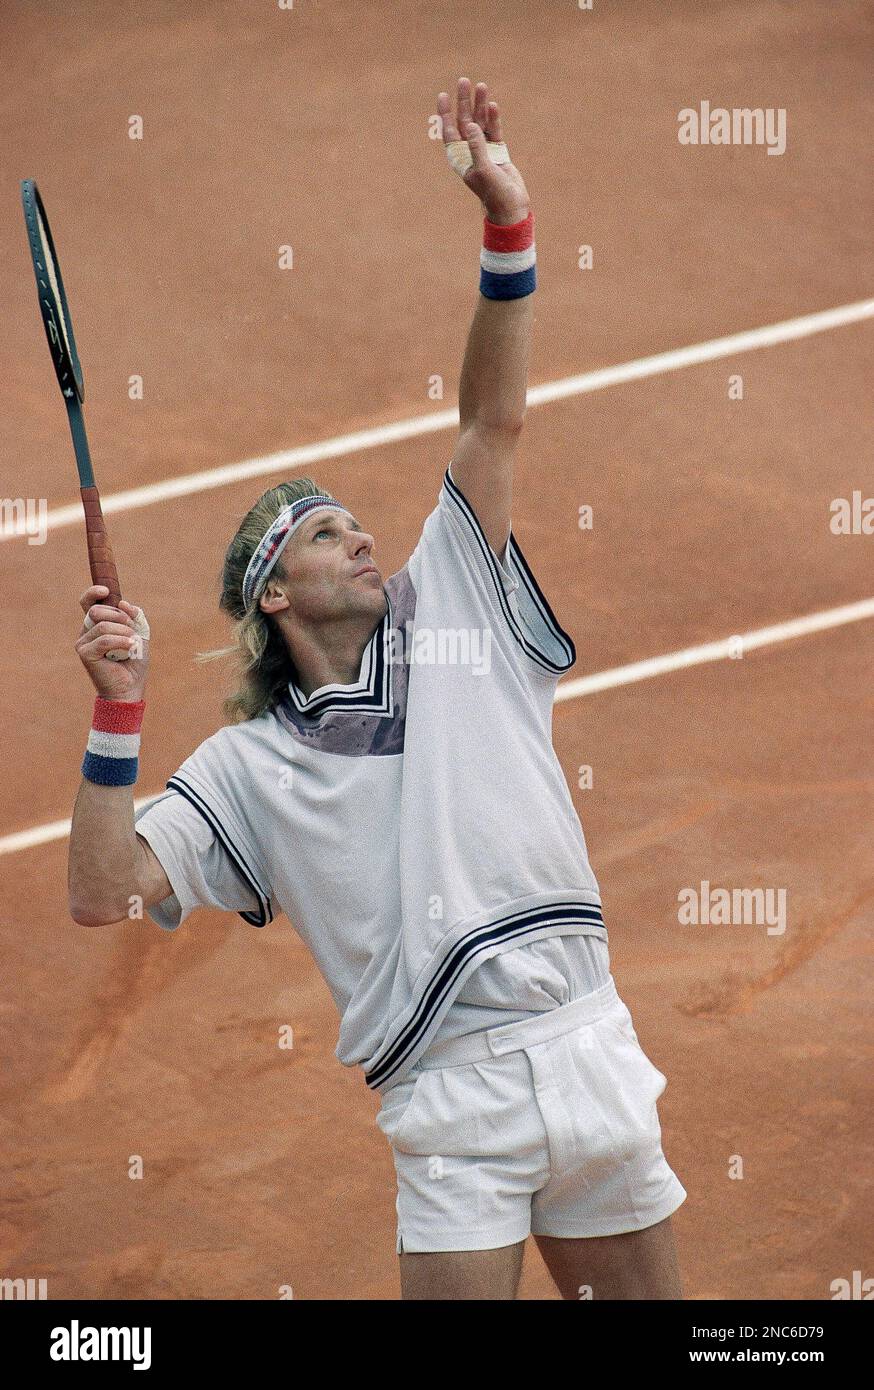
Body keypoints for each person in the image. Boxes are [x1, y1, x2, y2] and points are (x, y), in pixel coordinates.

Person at [68, 77, 686, 1300]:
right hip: (446, 1102)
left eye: (359, 523)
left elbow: (492, 420)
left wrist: (506, 226)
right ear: (275, 600)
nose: (362, 540)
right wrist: (118, 709)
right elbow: (100, 891)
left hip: (586, 1042)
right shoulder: (245, 773)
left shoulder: (455, 591)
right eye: (323, 534)